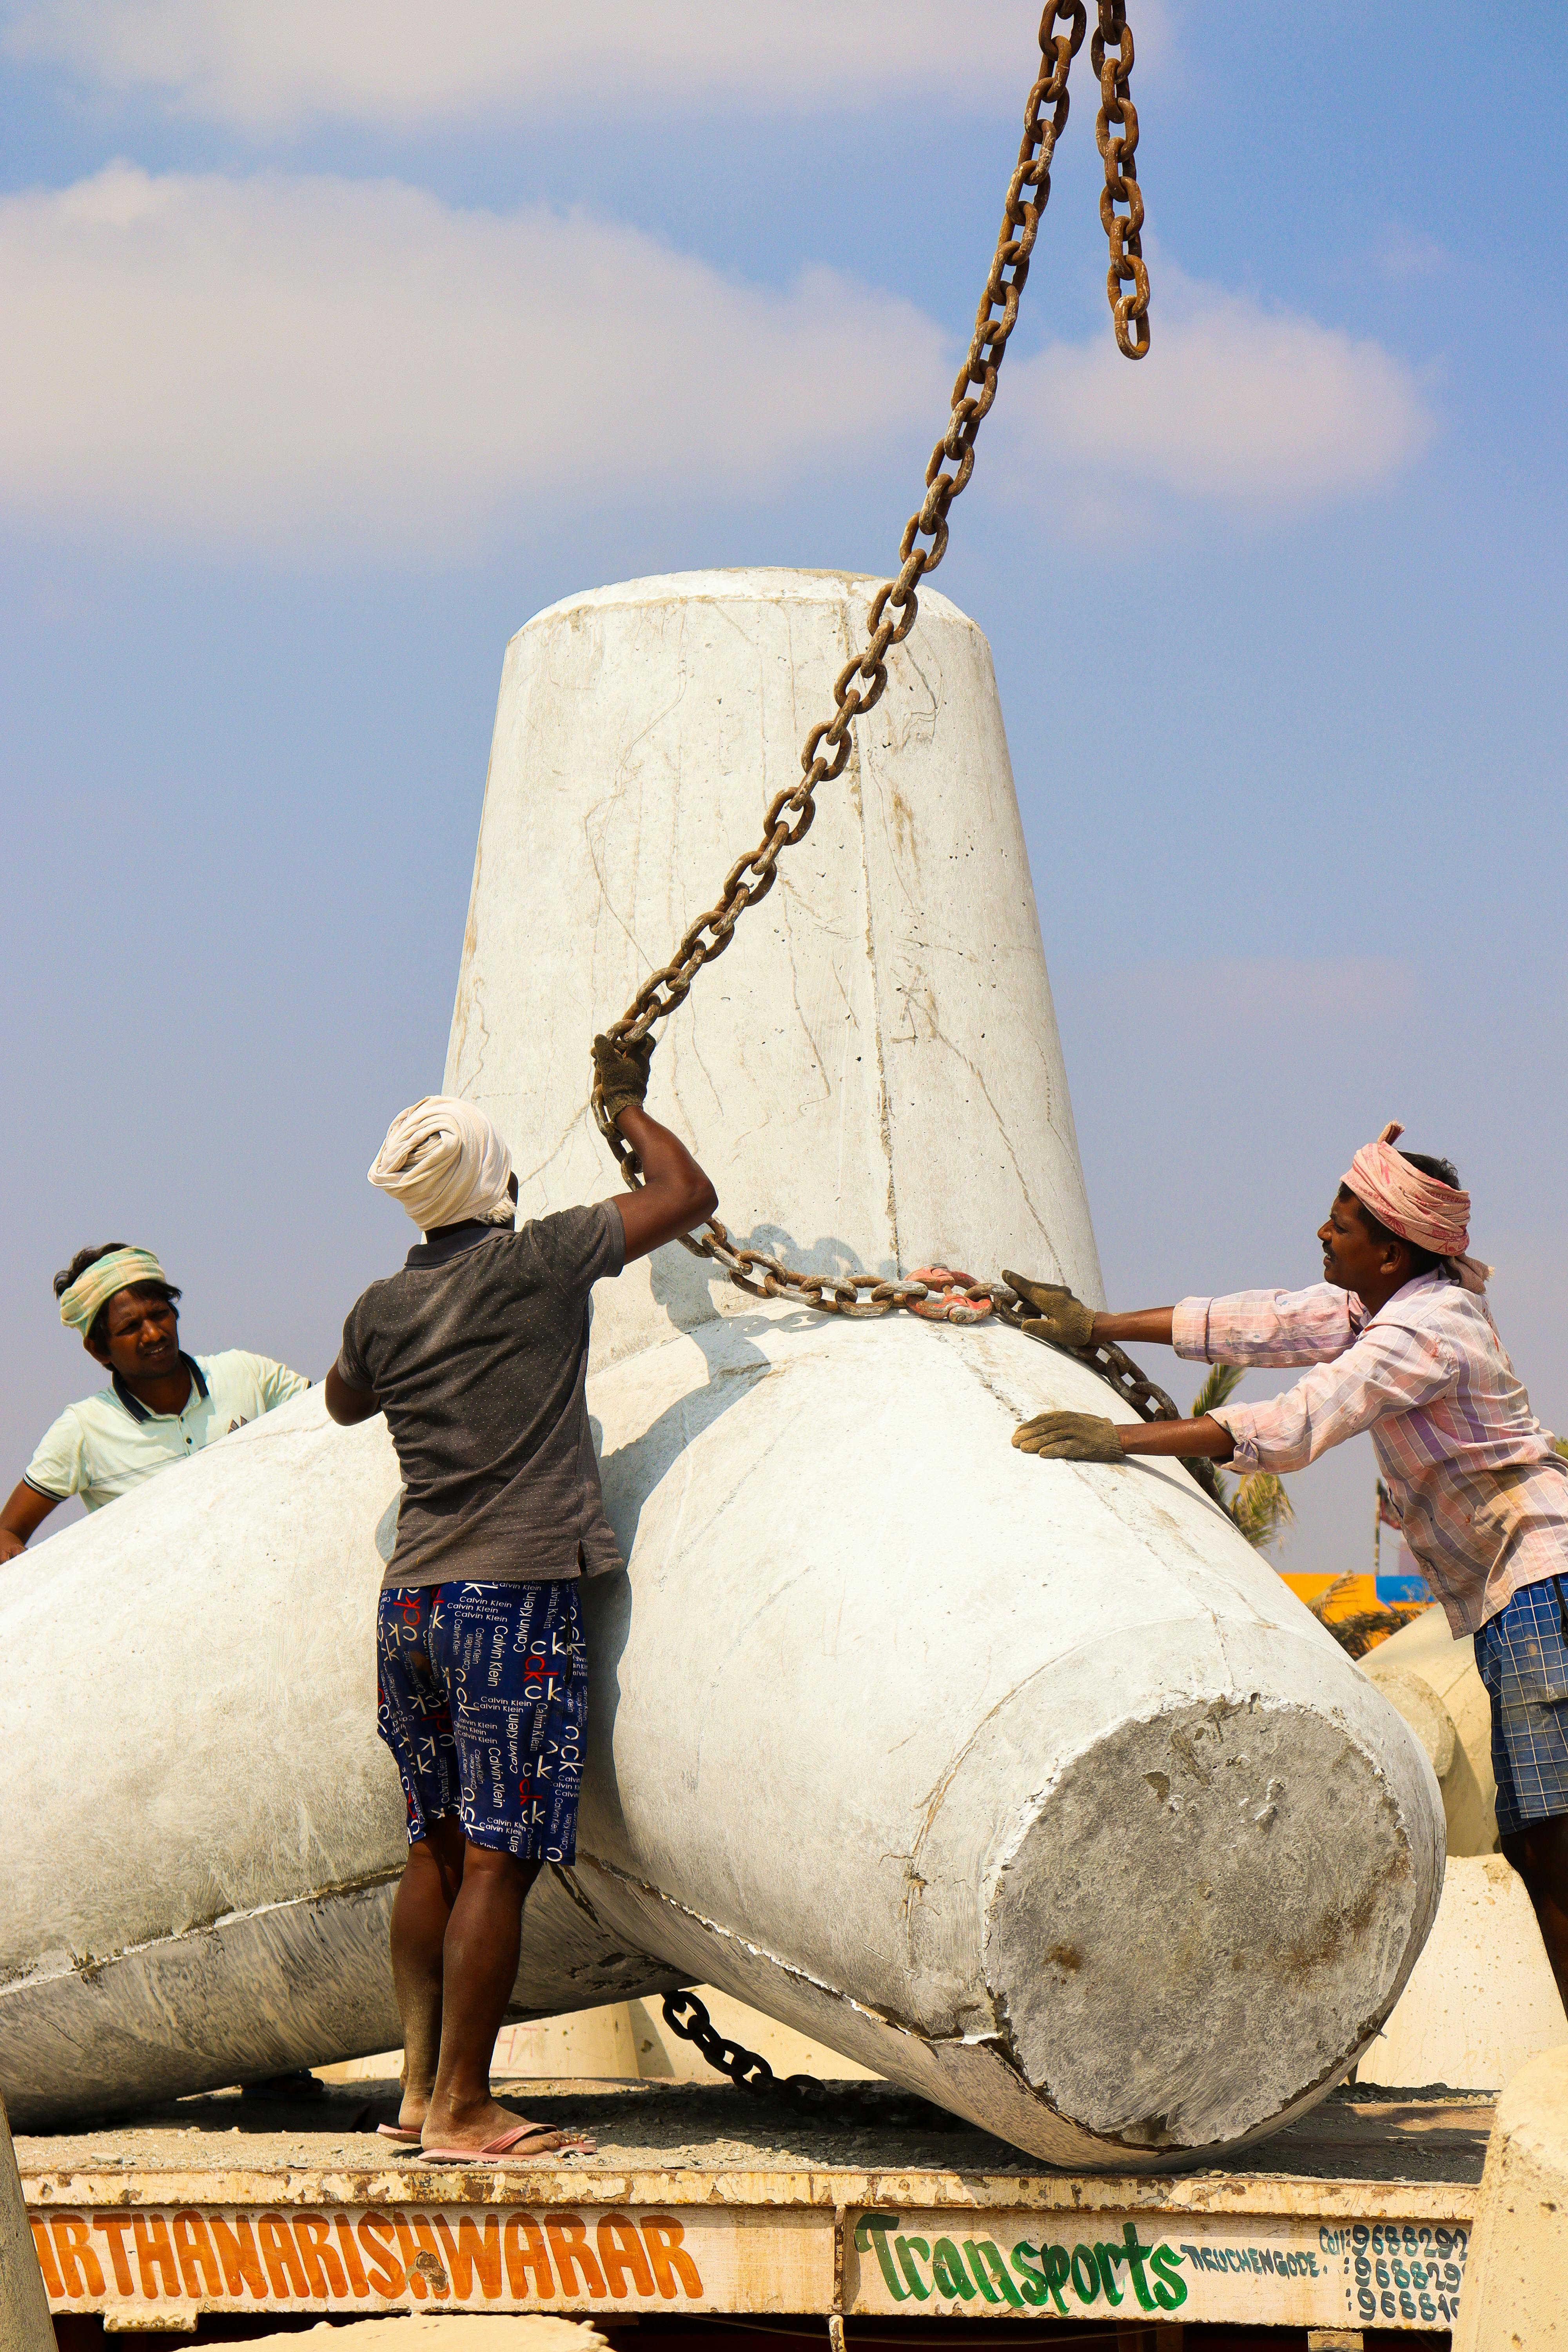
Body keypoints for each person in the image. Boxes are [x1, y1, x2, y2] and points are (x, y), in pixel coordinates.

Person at [1004, 1121, 1568, 2002]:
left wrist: (1118, 1437)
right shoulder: (1386, 1303)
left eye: (1339, 1225)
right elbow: (1266, 1321)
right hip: (1512, 1594)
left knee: (1553, 1836)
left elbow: (1300, 1421)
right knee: (1535, 1841)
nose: (1321, 1234)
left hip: (1542, 1585)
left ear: (1389, 1252)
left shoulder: (1420, 1335)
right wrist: (1095, 1324)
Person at [325, 1035, 715, 2162]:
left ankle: (413, 2090)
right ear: (496, 1177)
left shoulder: (380, 1307)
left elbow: (348, 1402)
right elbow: (687, 1197)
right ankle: (464, 2107)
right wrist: (628, 1105)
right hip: (511, 1594)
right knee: (501, 1854)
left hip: (415, 1604)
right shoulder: (539, 1260)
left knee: (435, 1843)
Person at [0, 1243, 312, 1564]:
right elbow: (7, 1532)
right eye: (130, 1327)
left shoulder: (247, 1373)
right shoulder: (84, 1428)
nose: (153, 1334)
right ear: (98, 1350)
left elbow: (335, 1418)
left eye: (160, 1314)